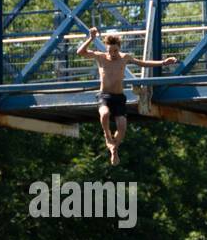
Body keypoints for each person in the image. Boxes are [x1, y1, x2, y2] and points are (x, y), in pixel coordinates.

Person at [75, 27, 176, 165]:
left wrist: (163, 62)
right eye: (110, 50)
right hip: (104, 96)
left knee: (122, 127)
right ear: (107, 49)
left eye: (115, 50)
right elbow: (80, 52)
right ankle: (107, 136)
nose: (113, 53)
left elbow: (143, 63)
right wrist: (91, 39)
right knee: (104, 114)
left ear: (119, 48)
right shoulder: (101, 57)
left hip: (119, 97)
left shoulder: (125, 58)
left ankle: (114, 149)